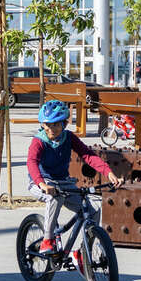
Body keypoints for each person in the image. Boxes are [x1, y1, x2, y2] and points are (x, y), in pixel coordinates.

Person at [25, 99, 120, 257]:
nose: (51, 129)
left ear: (64, 124)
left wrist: (108, 172)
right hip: (40, 182)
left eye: (56, 124)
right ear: (42, 124)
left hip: (63, 182)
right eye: (47, 124)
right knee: (55, 198)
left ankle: (84, 253)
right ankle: (47, 240)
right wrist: (42, 184)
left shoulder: (68, 137)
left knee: (93, 210)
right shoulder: (39, 141)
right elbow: (32, 162)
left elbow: (87, 155)